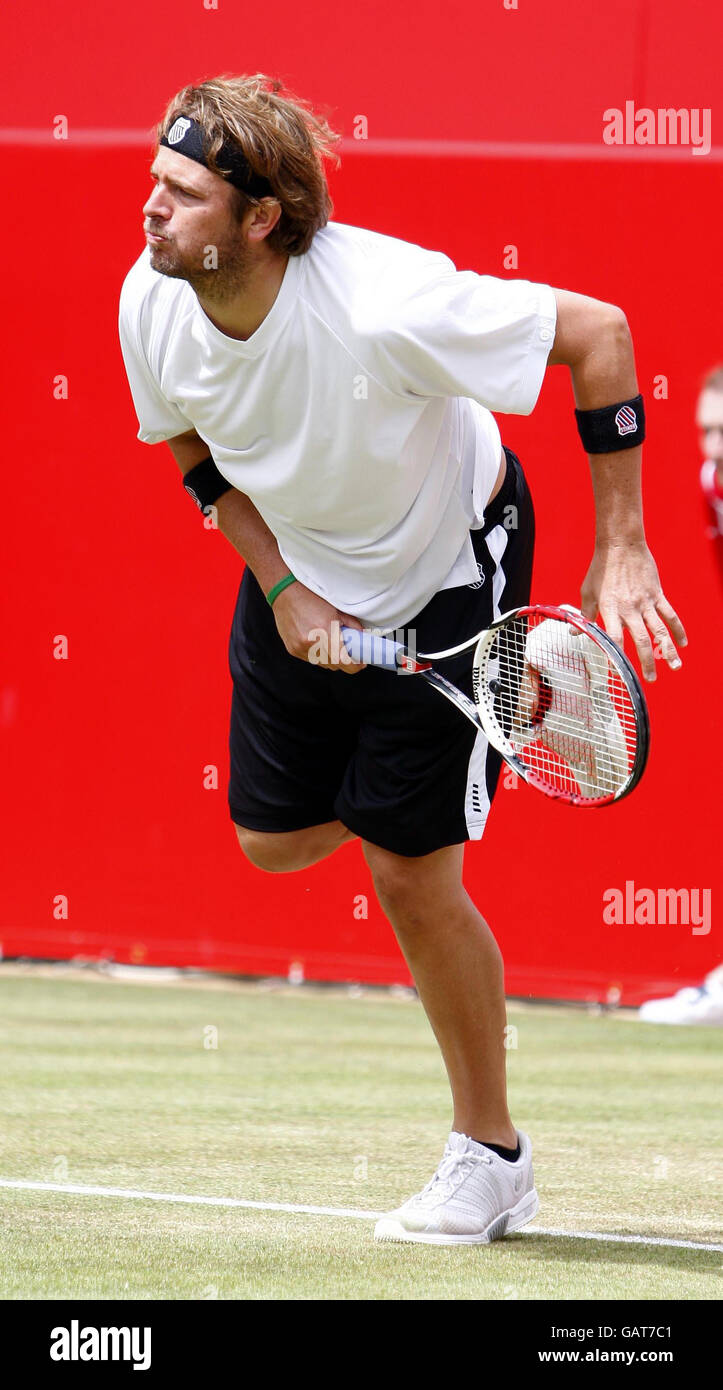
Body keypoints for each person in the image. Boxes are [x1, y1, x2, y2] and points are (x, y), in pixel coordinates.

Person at [118, 74, 686, 1245]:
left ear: (261, 219)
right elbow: (184, 439)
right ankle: (483, 720)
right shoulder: (154, 298)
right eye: (154, 181)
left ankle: (492, 1157)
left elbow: (603, 338)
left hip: (447, 567)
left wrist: (619, 546)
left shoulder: (386, 304)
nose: (151, 209)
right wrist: (281, 586)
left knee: (410, 873)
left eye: (181, 192)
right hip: (303, 565)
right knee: (269, 842)